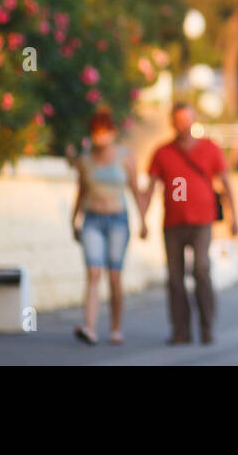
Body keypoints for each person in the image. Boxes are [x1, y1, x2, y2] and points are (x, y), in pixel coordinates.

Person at [140, 102, 238, 345]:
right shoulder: (162, 152)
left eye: (187, 120)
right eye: (179, 120)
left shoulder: (210, 149)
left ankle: (207, 327)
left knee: (201, 270)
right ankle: (180, 330)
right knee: (174, 278)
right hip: (173, 223)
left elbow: (226, 182)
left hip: (202, 220)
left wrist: (235, 217)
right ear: (172, 123)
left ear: (194, 121)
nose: (183, 125)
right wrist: (142, 219)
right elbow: (150, 188)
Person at [69, 109, 145, 345]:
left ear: (113, 133)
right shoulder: (84, 161)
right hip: (92, 219)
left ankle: (115, 327)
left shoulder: (125, 156)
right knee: (93, 273)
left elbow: (134, 188)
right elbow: (81, 193)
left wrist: (143, 220)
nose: (100, 138)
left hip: (118, 220)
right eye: (96, 134)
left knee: (114, 276)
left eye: (104, 133)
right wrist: (74, 220)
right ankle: (90, 328)